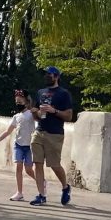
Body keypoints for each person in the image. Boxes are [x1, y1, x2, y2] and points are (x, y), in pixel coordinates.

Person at [29, 66, 73, 206]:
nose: (47, 76)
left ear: (56, 76)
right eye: (46, 74)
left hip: (55, 134)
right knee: (38, 163)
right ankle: (41, 195)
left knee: (54, 165)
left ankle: (65, 187)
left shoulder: (63, 94)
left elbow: (69, 116)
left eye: (50, 74)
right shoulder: (41, 92)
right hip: (39, 131)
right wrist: (37, 112)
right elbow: (35, 112)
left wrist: (54, 111)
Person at [0, 89, 37, 201]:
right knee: (18, 167)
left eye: (20, 102)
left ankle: (41, 181)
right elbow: (8, 131)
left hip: (29, 146)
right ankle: (19, 192)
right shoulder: (16, 117)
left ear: (26, 101)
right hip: (19, 145)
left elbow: (39, 120)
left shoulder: (31, 114)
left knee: (29, 169)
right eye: (16, 103)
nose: (18, 105)